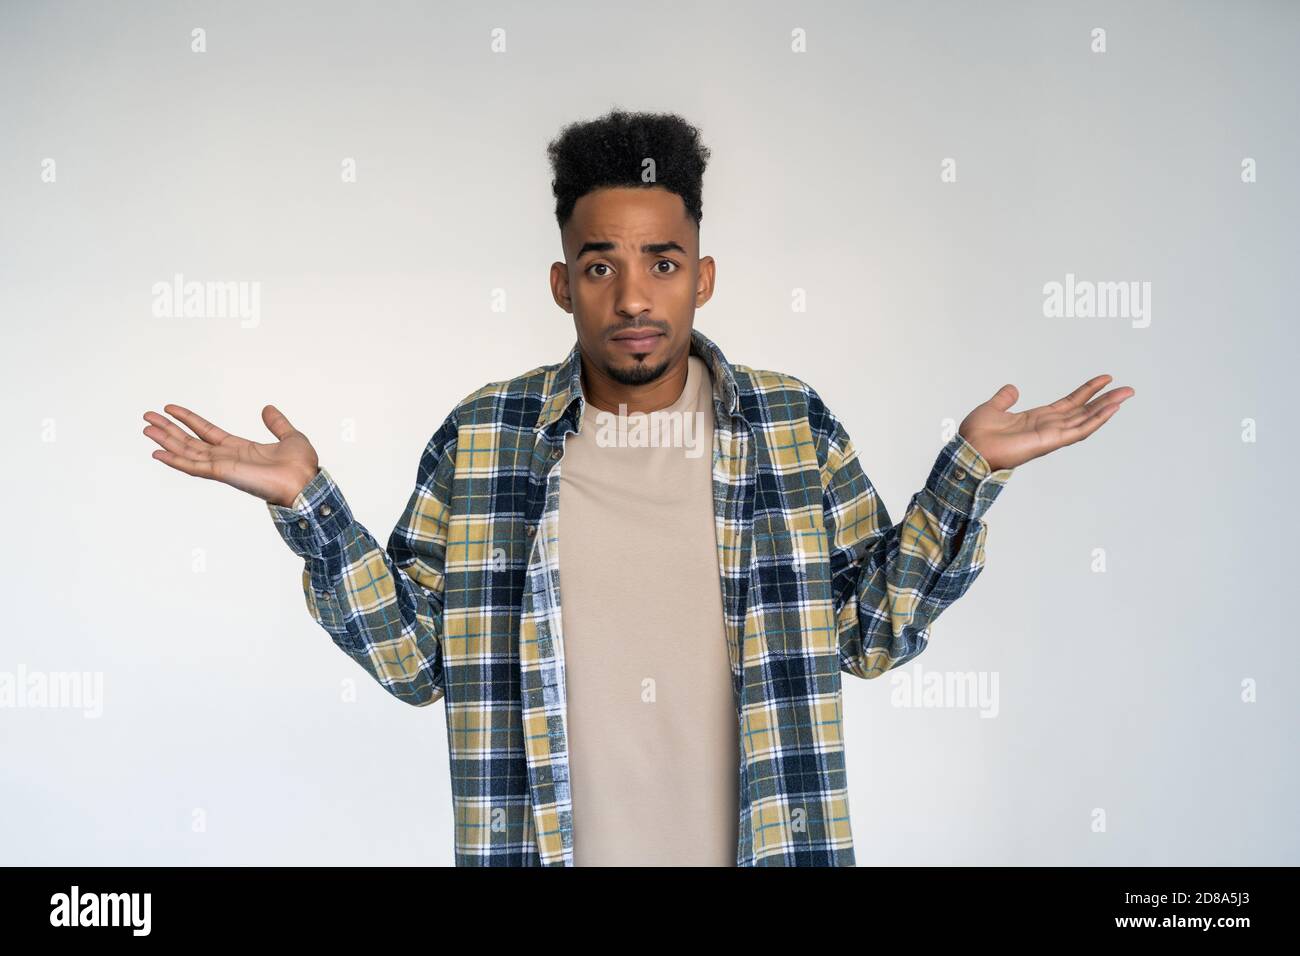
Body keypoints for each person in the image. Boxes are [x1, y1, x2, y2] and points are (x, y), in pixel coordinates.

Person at [142, 108, 1134, 867]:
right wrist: (309, 503)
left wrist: (966, 477)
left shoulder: (791, 426)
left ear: (701, 275)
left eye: (661, 262)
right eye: (599, 264)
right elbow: (413, 660)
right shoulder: (485, 438)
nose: (631, 295)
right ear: (561, 283)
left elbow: (868, 633)